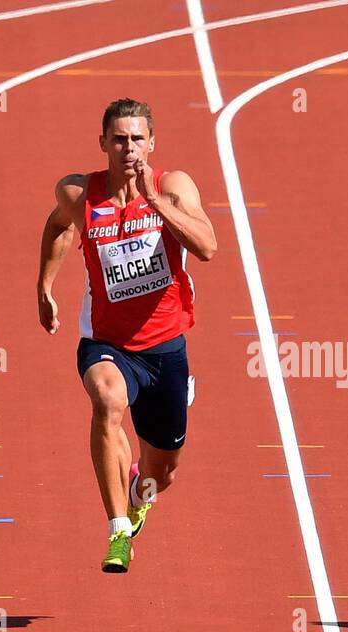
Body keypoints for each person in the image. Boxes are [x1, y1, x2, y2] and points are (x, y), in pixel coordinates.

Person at [37, 98, 216, 573]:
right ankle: (118, 529)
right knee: (108, 402)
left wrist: (155, 204)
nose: (129, 148)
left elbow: (208, 248)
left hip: (166, 346)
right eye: (119, 139)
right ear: (103, 144)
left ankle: (139, 491)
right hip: (106, 343)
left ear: (152, 142)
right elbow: (59, 226)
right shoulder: (79, 193)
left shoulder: (172, 186)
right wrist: (45, 285)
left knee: (164, 472)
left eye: (137, 138)